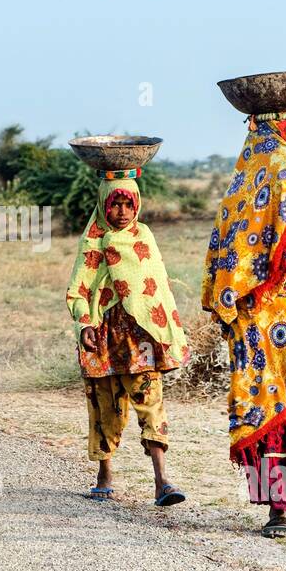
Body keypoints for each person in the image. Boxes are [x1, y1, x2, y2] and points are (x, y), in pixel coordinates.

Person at [202, 112, 286, 537]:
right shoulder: (250, 187)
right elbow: (231, 256)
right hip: (260, 324)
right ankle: (278, 509)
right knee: (269, 414)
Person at [66, 173, 191, 506]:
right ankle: (104, 474)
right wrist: (85, 325)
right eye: (115, 204)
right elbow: (79, 290)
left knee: (151, 404)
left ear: (137, 205)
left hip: (140, 337)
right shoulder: (93, 240)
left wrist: (167, 334)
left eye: (128, 204)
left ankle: (162, 481)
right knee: (105, 408)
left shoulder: (144, 236)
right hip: (102, 336)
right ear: (104, 205)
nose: (122, 211)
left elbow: (157, 287)